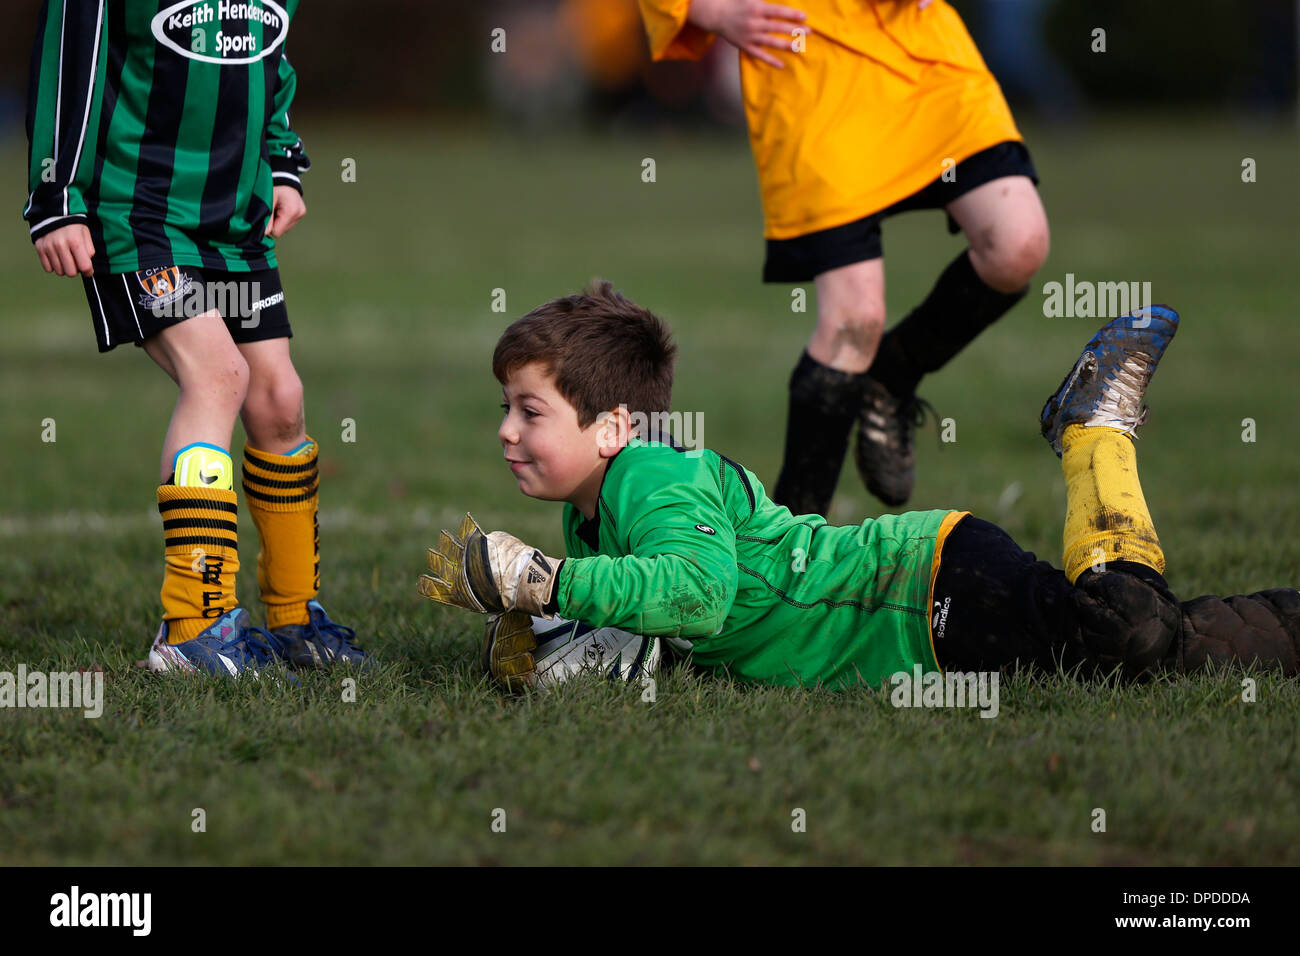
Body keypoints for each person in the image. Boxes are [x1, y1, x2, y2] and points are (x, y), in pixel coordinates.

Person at [417, 282, 1298, 689]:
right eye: (506, 408)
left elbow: (694, 592)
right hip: (919, 620)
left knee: (1123, 634)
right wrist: (535, 633)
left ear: (611, 428)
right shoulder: (594, 516)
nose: (505, 430)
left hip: (923, 589)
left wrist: (552, 586)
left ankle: (1092, 432)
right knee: (1163, 651)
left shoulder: (653, 472)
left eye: (529, 412)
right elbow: (656, 618)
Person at [23, 0, 365, 676]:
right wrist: (57, 196)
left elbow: (271, 60)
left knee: (279, 399)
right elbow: (69, 66)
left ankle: (294, 618)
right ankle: (192, 626)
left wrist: (282, 161)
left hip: (234, 224)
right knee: (219, 376)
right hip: (138, 215)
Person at [636, 0, 1051, 514]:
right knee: (853, 323)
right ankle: (788, 556)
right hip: (811, 64)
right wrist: (709, 11)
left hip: (921, 51)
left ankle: (892, 378)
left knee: (1018, 243)